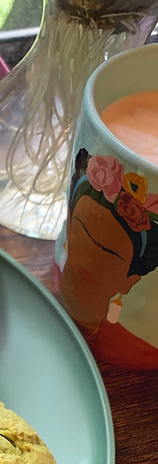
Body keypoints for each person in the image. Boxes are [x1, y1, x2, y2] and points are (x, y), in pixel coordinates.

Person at [56, 147, 158, 368]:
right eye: (82, 231)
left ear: (130, 280)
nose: (91, 255)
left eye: (109, 253)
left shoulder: (136, 346)